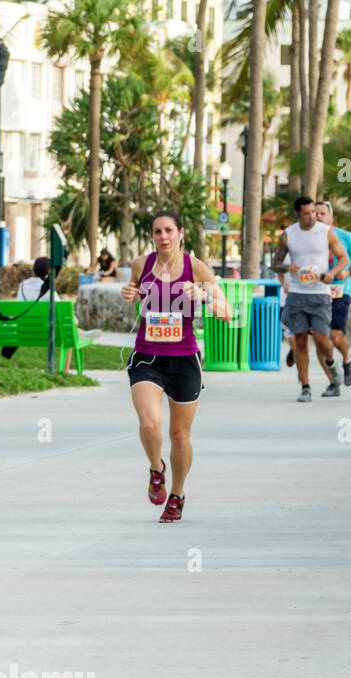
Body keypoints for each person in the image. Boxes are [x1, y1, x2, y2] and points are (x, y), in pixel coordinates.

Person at [121, 210, 233, 523]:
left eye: (169, 230)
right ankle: (157, 469)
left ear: (180, 233)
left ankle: (178, 493)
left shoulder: (196, 268)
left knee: (180, 435)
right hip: (147, 355)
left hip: (184, 359)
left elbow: (227, 313)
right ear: (152, 235)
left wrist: (205, 296)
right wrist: (129, 294)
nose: (163, 237)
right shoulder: (141, 264)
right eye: (157, 231)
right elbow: (133, 292)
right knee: (149, 423)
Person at [272, 197, 351, 401]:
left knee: (321, 338)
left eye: (313, 212)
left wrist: (332, 273)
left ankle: (332, 364)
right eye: (306, 213)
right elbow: (275, 263)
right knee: (299, 340)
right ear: (298, 213)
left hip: (320, 293)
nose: (311, 216)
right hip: (297, 294)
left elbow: (344, 258)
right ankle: (305, 387)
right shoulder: (289, 235)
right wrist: (287, 268)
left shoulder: (326, 232)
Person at [314, 200, 351, 387]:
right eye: (315, 213)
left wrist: (349, 272)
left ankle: (346, 359)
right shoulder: (309, 238)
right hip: (318, 292)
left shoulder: (345, 237)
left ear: (331, 217)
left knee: (335, 336)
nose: (318, 216)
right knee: (320, 339)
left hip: (342, 291)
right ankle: (332, 381)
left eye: (322, 213)